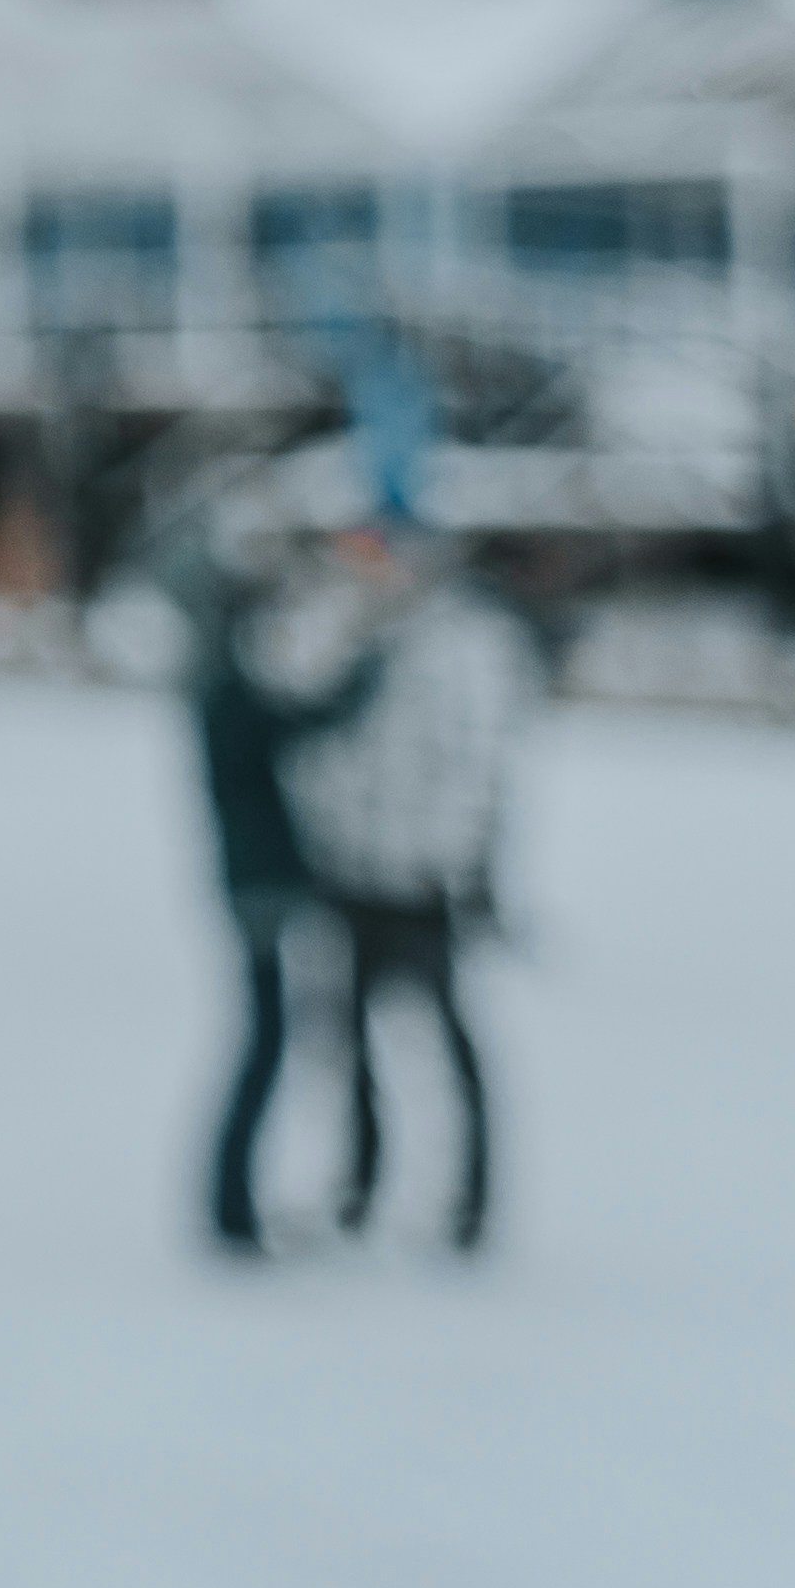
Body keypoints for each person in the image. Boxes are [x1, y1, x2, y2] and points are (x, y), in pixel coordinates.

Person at [281, 536, 533, 1254]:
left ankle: (471, 1198)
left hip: (422, 882)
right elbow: (318, 744)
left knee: (447, 1043)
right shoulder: (348, 630)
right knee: (350, 1042)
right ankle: (359, 1184)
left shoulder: (464, 645)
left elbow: (479, 767)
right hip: (351, 872)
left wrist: (454, 863)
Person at [166, 513, 388, 1258]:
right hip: (260, 886)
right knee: (264, 1044)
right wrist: (368, 669)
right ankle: (231, 1208)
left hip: (255, 882)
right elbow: (309, 723)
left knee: (268, 1041)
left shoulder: (218, 688)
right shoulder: (230, 695)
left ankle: (235, 1204)